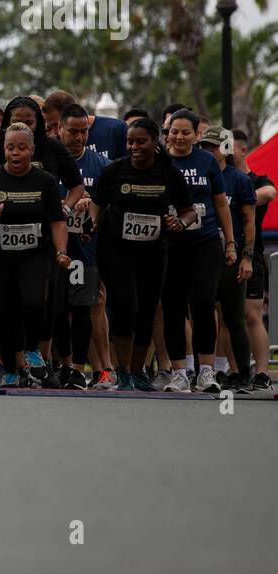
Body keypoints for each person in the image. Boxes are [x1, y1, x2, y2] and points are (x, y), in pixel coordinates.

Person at [89, 118, 196, 391]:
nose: (134, 147)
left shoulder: (168, 173)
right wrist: (92, 223)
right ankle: (122, 370)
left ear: (154, 141)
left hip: (153, 250)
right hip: (116, 248)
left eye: (140, 142)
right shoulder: (115, 171)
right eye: (130, 142)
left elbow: (188, 210)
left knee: (147, 311)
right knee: (125, 305)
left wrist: (180, 223)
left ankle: (138, 372)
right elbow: (97, 203)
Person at [0, 123, 69, 388]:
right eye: (10, 147)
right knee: (2, 312)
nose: (16, 153)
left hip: (34, 253)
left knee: (35, 301)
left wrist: (61, 252)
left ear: (32, 150)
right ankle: (11, 370)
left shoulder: (45, 181)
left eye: (22, 148)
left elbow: (57, 221)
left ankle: (31, 348)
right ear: (4, 149)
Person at [161, 110, 234, 393]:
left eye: (185, 132)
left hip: (203, 242)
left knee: (204, 303)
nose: (179, 137)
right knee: (173, 308)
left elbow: (221, 204)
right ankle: (180, 373)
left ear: (197, 134)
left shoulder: (207, 161)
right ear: (167, 134)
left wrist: (230, 243)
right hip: (169, 245)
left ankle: (206, 372)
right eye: (174, 132)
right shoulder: (160, 162)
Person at [49, 103, 109, 390]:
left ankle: (78, 369)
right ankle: (62, 363)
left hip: (85, 250)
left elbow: (109, 203)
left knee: (84, 307)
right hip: (53, 249)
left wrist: (92, 206)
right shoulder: (49, 159)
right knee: (57, 309)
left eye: (84, 131)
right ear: (59, 129)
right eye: (73, 131)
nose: (79, 137)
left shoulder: (99, 164)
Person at [199, 126, 254, 393]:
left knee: (233, 318)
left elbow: (249, 221)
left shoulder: (239, 180)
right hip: (202, 254)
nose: (208, 152)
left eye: (213, 147)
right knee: (203, 314)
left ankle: (243, 373)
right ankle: (205, 371)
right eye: (205, 147)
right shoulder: (197, 177)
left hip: (231, 257)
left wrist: (247, 257)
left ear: (225, 149)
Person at [233, 129, 275, 390]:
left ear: (243, 149)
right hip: (221, 255)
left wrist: (236, 202)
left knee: (251, 314)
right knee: (227, 317)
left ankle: (262, 372)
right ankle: (235, 371)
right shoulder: (220, 179)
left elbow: (270, 193)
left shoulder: (257, 179)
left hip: (251, 254)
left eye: (230, 146)